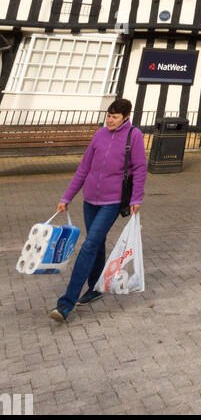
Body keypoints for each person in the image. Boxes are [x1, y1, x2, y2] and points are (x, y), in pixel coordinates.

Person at [48, 99, 147, 322]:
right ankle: (96, 287)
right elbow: (84, 167)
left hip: (112, 201)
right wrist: (67, 197)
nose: (109, 120)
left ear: (125, 117)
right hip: (90, 199)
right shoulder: (100, 134)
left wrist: (136, 197)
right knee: (97, 242)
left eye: (114, 117)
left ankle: (65, 304)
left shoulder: (134, 136)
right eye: (108, 115)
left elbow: (140, 168)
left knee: (89, 245)